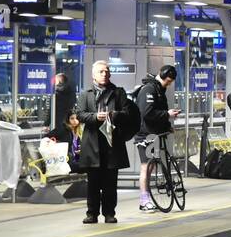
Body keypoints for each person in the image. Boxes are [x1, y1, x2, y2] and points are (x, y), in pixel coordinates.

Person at [75, 60, 137, 224]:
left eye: (107, 71)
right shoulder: (85, 94)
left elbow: (127, 113)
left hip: (112, 143)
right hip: (92, 143)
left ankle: (109, 213)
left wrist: (113, 115)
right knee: (93, 182)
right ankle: (92, 213)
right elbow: (80, 114)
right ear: (94, 75)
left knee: (110, 181)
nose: (105, 74)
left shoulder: (118, 92)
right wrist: (95, 117)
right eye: (101, 71)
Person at [135, 65, 183, 212]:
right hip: (145, 135)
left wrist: (167, 125)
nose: (168, 85)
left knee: (151, 166)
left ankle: (147, 198)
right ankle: (144, 201)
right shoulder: (149, 90)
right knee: (146, 167)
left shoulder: (159, 91)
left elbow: (160, 112)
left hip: (154, 134)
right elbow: (147, 113)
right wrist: (167, 114)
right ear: (161, 75)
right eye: (167, 81)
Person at [51, 72, 77, 145]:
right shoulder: (71, 92)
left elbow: (49, 110)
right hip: (67, 122)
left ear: (59, 81)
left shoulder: (54, 94)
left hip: (56, 122)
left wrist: (46, 123)